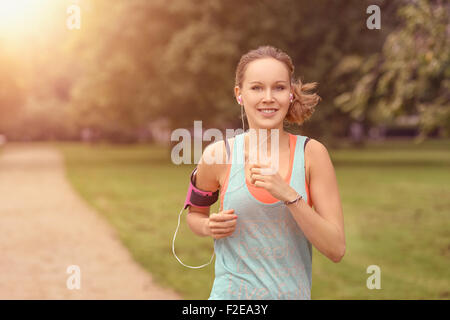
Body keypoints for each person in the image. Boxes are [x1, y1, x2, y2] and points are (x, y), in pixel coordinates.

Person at [186, 45, 345, 300]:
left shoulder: (312, 155)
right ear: (240, 94)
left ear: (291, 94)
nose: (268, 97)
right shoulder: (217, 155)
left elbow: (336, 248)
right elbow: (194, 215)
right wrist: (207, 226)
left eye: (279, 87)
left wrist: (289, 196)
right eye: (257, 87)